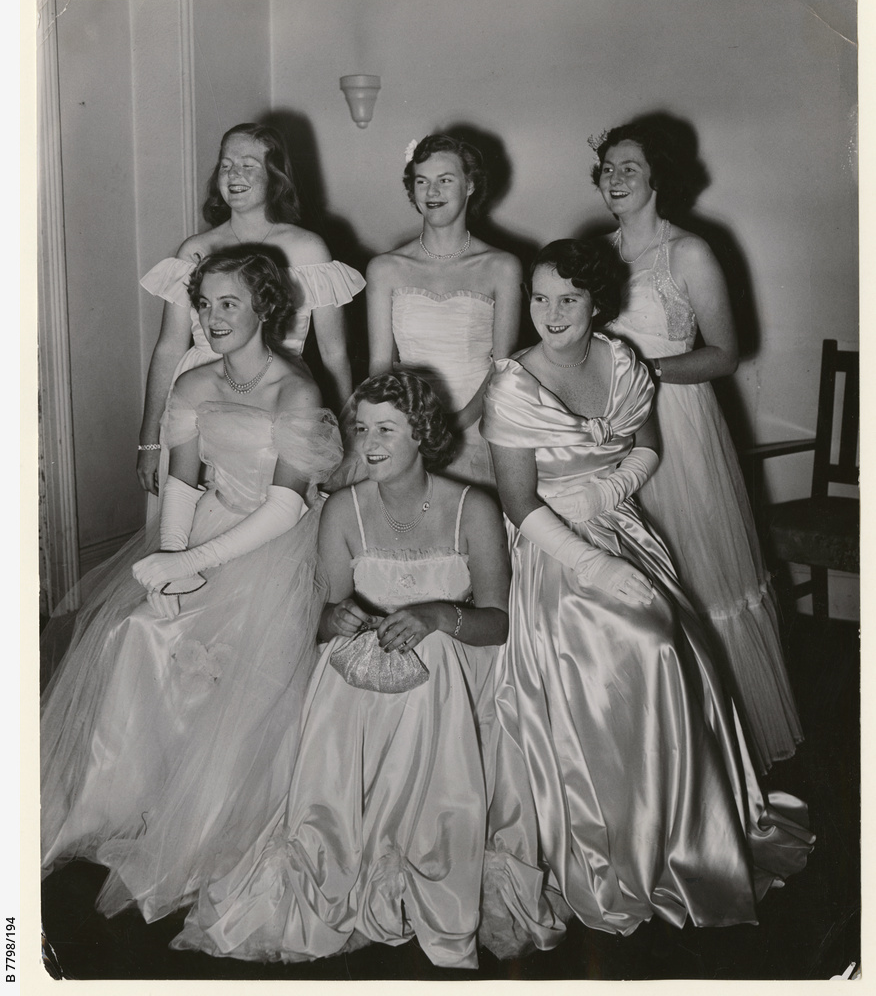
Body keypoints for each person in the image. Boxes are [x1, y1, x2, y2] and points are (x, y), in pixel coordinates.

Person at [478, 240, 813, 958]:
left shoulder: (624, 360)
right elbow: (515, 503)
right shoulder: (512, 386)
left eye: (567, 299)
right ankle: (616, 847)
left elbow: (648, 445)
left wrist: (607, 492)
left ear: (596, 302)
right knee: (643, 644)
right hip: (549, 547)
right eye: (539, 298)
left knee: (676, 638)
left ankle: (683, 831)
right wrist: (592, 565)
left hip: (621, 522)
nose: (550, 313)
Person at [41, 249, 343, 924]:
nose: (211, 318)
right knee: (136, 634)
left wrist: (188, 562)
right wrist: (172, 558)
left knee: (233, 672)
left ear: (266, 307)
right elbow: (181, 480)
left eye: (228, 303)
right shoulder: (197, 382)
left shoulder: (295, 389)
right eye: (203, 304)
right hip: (204, 531)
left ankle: (201, 825)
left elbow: (287, 508)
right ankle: (116, 803)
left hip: (273, 546)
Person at [171, 371, 510, 969]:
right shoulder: (341, 510)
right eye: (362, 428)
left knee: (429, 659)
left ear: (423, 433)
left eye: (387, 429)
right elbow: (320, 619)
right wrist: (336, 616)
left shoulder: (473, 508)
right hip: (356, 700)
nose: (370, 443)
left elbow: (498, 624)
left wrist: (436, 615)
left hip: (451, 695)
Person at [590, 118, 802, 774]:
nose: (615, 178)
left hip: (678, 425)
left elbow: (725, 354)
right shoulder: (594, 254)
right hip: (609, 430)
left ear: (658, 177)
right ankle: (649, 746)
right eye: (607, 167)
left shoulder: (691, 253)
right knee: (626, 579)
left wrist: (644, 374)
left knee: (696, 574)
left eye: (629, 166)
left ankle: (721, 747)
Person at [137, 121, 363, 504]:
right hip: (197, 406)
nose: (234, 175)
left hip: (277, 402)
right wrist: (148, 440)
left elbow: (334, 353)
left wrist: (342, 432)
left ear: (275, 176)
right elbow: (167, 348)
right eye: (226, 165)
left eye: (248, 165)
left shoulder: (308, 250)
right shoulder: (195, 249)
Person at [365, 134, 522, 487]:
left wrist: (457, 425)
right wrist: (408, 426)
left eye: (444, 180)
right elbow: (379, 368)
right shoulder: (385, 268)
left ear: (469, 186)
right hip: (404, 428)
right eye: (422, 181)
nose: (431, 192)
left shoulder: (502, 267)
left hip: (479, 424)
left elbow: (505, 368)